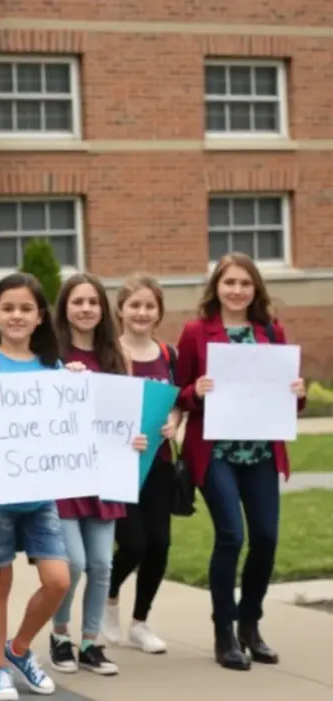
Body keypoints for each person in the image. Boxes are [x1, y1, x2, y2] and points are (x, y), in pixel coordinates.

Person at [174, 252, 305, 671]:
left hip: (261, 451)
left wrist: (297, 390)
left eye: (244, 283)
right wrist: (197, 390)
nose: (236, 290)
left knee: (265, 537)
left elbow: (290, 401)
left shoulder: (271, 331)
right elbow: (179, 394)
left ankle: (250, 624)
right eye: (229, 282)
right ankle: (224, 632)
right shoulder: (196, 333)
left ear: (256, 290)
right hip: (217, 452)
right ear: (216, 288)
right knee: (231, 533)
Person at [0, 272, 80, 701]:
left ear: (40, 316)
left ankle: (19, 648)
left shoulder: (54, 368)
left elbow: (70, 428)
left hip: (40, 492)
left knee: (59, 580)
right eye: (7, 308)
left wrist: (76, 385)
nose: (16, 315)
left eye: (25, 308)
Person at [48, 274, 148, 677]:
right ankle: (59, 634)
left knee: (103, 564)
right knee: (72, 563)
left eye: (93, 301)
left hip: (106, 475)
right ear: (65, 308)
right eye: (78, 302)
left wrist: (137, 436)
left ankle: (91, 642)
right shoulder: (52, 354)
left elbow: (127, 413)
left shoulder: (116, 356)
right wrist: (60, 381)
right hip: (67, 475)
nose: (86, 308)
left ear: (103, 309)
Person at [104, 274, 181, 654]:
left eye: (150, 306)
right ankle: (110, 594)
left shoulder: (168, 354)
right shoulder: (110, 354)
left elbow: (178, 400)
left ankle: (140, 622)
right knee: (133, 545)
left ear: (158, 312)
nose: (142, 312)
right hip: (120, 465)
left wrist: (175, 420)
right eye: (135, 305)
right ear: (121, 309)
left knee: (161, 545)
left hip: (160, 463)